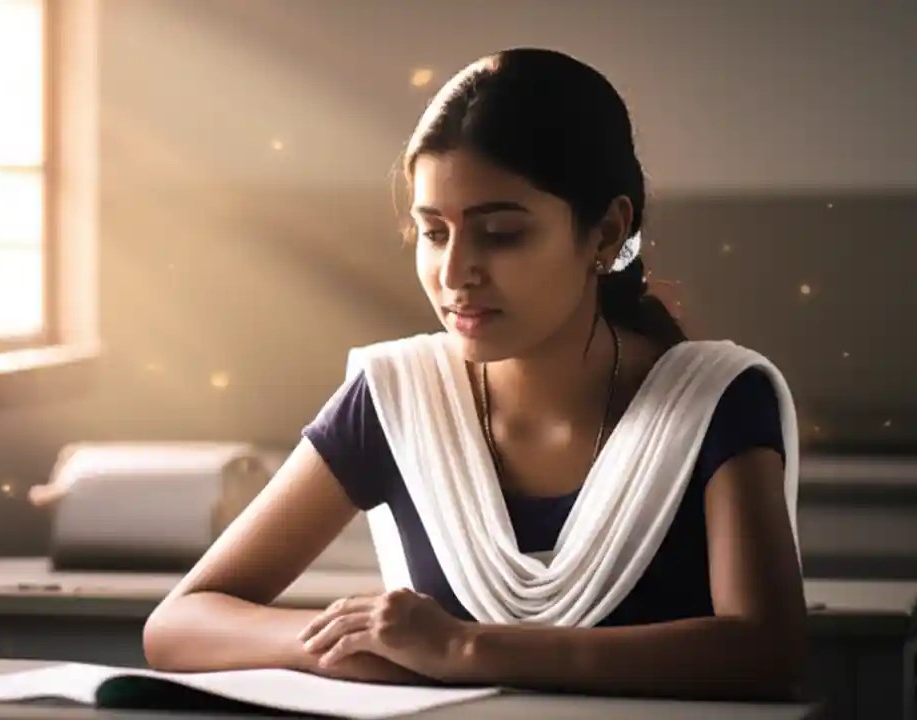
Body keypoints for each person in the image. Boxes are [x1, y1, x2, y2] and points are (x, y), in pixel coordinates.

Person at [143, 47, 807, 701]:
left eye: (500, 233)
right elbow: (179, 623)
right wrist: (341, 645)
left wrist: (465, 647)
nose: (457, 273)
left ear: (606, 233)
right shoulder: (397, 397)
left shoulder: (715, 399)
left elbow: (765, 651)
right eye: (434, 233)